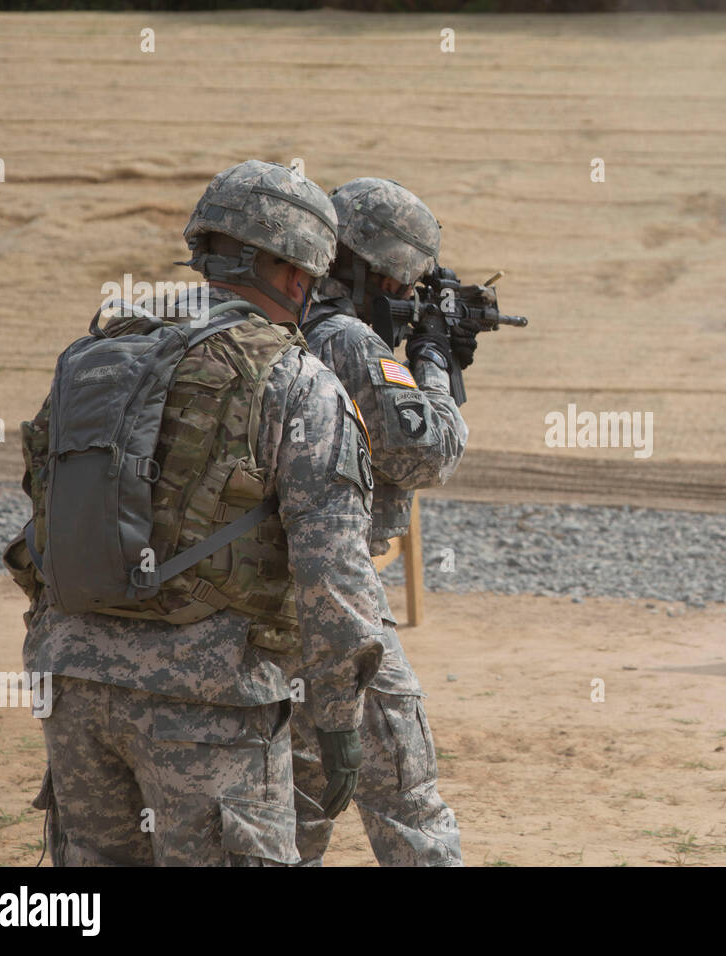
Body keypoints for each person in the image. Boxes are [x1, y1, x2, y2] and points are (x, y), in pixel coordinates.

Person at [4, 160, 384, 866]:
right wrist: (336, 718)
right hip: (210, 705)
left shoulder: (98, 350)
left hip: (75, 685)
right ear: (299, 273)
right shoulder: (297, 380)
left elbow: (42, 514)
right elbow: (334, 573)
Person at [292, 177, 468, 866]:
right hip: (336, 591)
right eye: (397, 284)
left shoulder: (267, 320)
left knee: (296, 797)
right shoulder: (350, 342)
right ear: (360, 268)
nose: (403, 296)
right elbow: (426, 454)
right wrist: (432, 362)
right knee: (404, 788)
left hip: (257, 598)